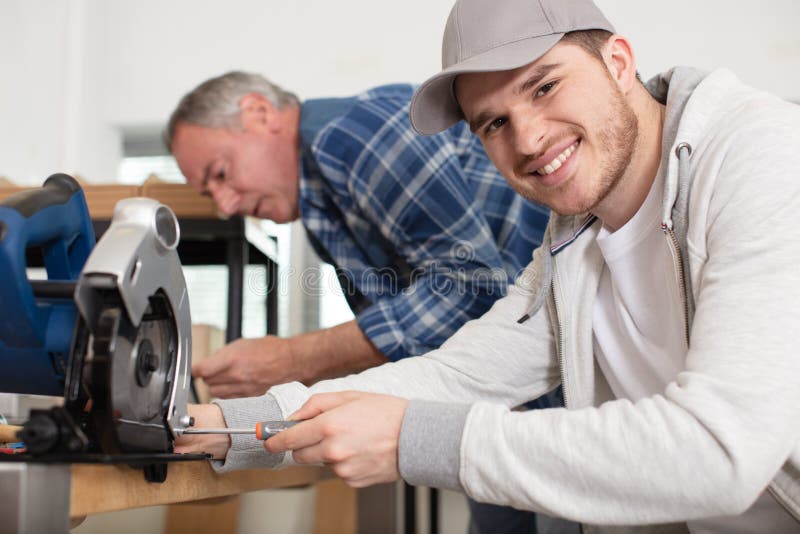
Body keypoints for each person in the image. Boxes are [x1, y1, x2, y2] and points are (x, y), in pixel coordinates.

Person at [176, 0, 800, 531]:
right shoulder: (571, 242)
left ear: (618, 62)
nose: (527, 140)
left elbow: (721, 450)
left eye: (545, 86)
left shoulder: (762, 157)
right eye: (494, 122)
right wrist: (229, 427)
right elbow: (455, 376)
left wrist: (414, 439)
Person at [166, 74, 559, 531]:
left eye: (221, 174)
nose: (226, 206)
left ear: (260, 113)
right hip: (501, 400)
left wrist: (293, 359)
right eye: (209, 193)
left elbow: (472, 290)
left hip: (558, 392)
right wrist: (246, 411)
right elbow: (412, 343)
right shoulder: (319, 199)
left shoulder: (354, 135)